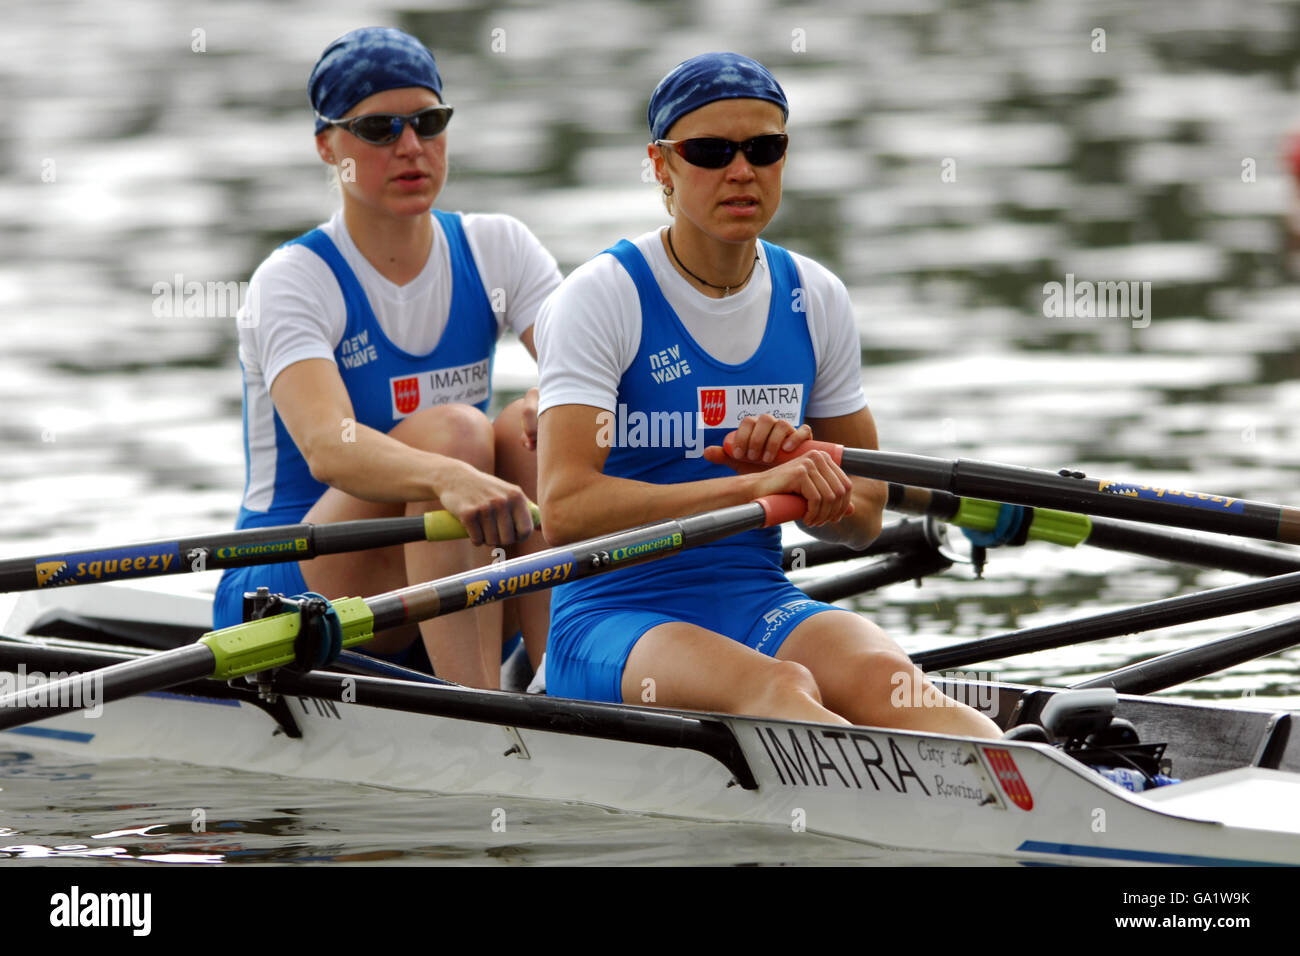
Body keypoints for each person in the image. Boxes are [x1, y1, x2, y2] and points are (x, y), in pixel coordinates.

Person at [535, 52, 999, 736]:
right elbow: (565, 509)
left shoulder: (814, 297)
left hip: (757, 599)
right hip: (614, 613)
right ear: (661, 165)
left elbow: (864, 516)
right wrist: (756, 489)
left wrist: (814, 488)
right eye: (711, 150)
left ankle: (1049, 797)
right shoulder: (601, 297)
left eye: (764, 148)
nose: (741, 170)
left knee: (896, 687)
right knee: (781, 686)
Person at [213, 27, 560, 688]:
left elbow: (603, 385)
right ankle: (483, 710)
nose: (411, 148)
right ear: (327, 146)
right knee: (458, 434)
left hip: (434, 575)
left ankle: (563, 684)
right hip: (290, 593)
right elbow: (328, 448)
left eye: (428, 123)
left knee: (537, 430)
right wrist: (443, 475)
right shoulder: (294, 280)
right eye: (378, 130)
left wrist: (565, 399)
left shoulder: (499, 249)